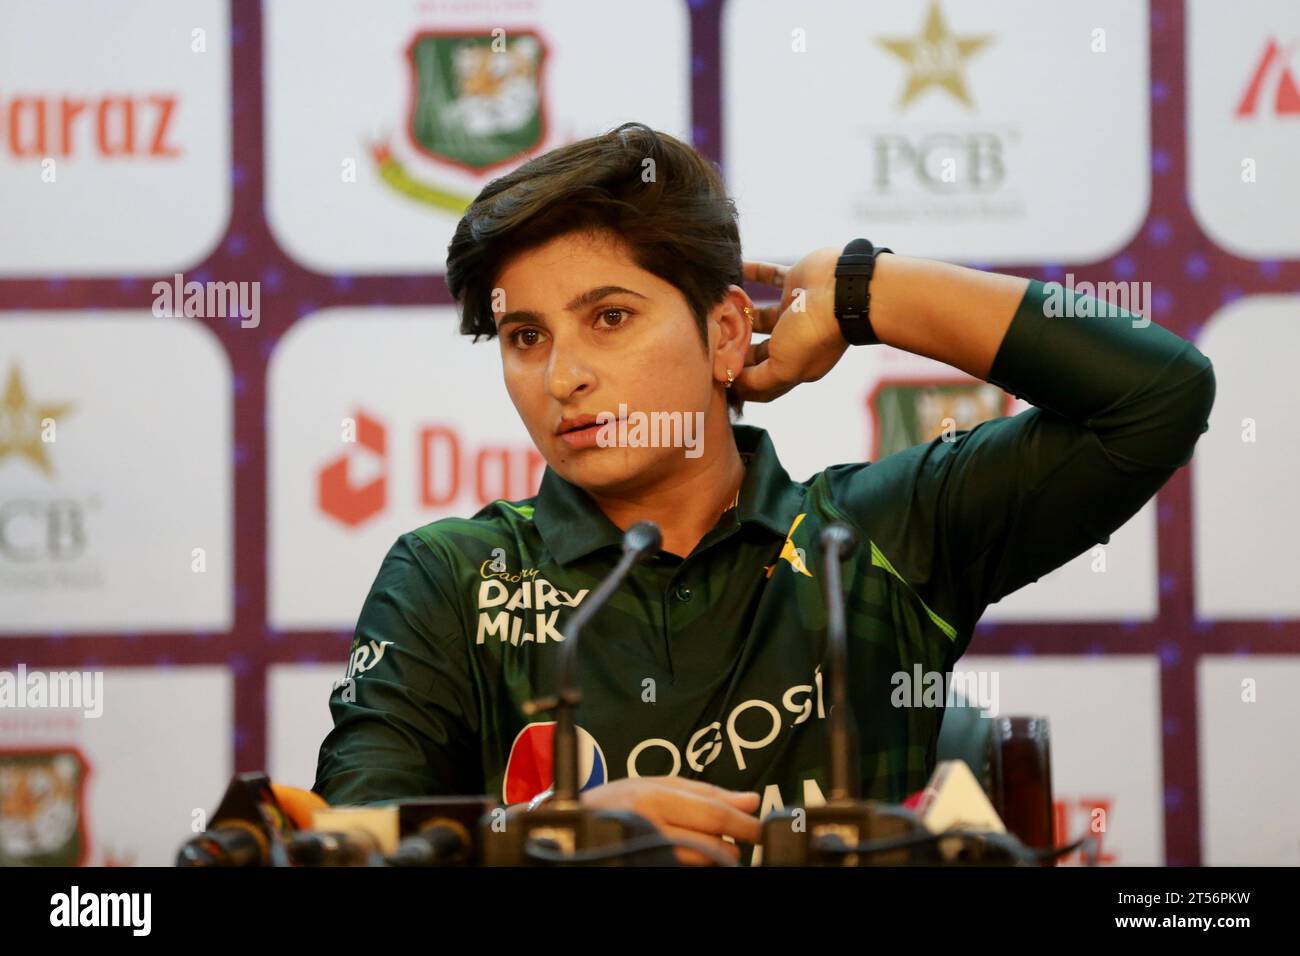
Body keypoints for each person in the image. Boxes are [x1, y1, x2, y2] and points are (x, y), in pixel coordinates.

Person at [312, 122, 1216, 866]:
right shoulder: (450, 576)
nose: (564, 375)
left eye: (610, 317)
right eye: (523, 336)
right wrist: (552, 837)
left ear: (726, 332)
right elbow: (345, 848)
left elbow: (1155, 396)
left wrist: (864, 292)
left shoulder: (869, 537)